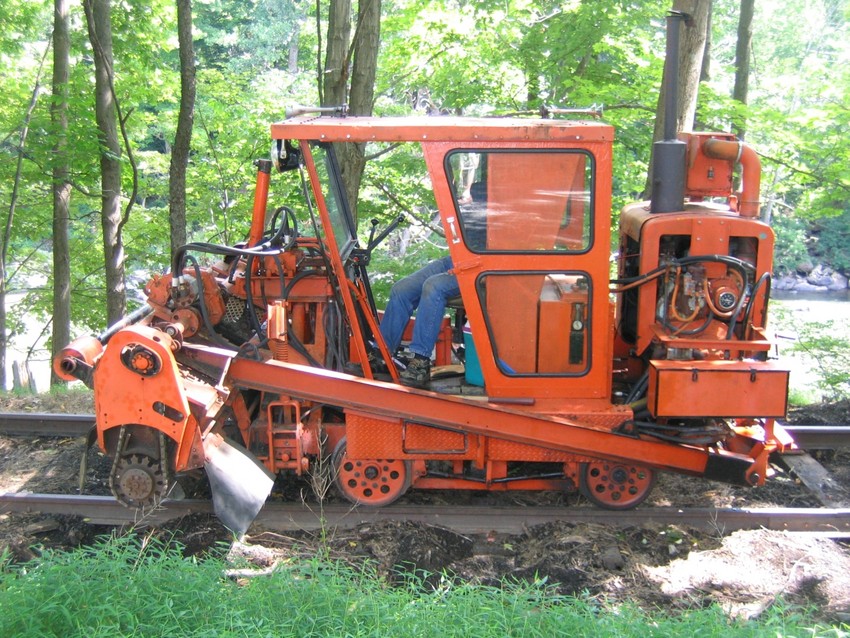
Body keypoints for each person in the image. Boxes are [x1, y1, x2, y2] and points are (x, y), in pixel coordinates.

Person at [378, 255, 459, 387]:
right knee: (401, 289)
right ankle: (381, 355)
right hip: (456, 258)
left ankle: (421, 360)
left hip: (482, 262)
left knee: (433, 287)